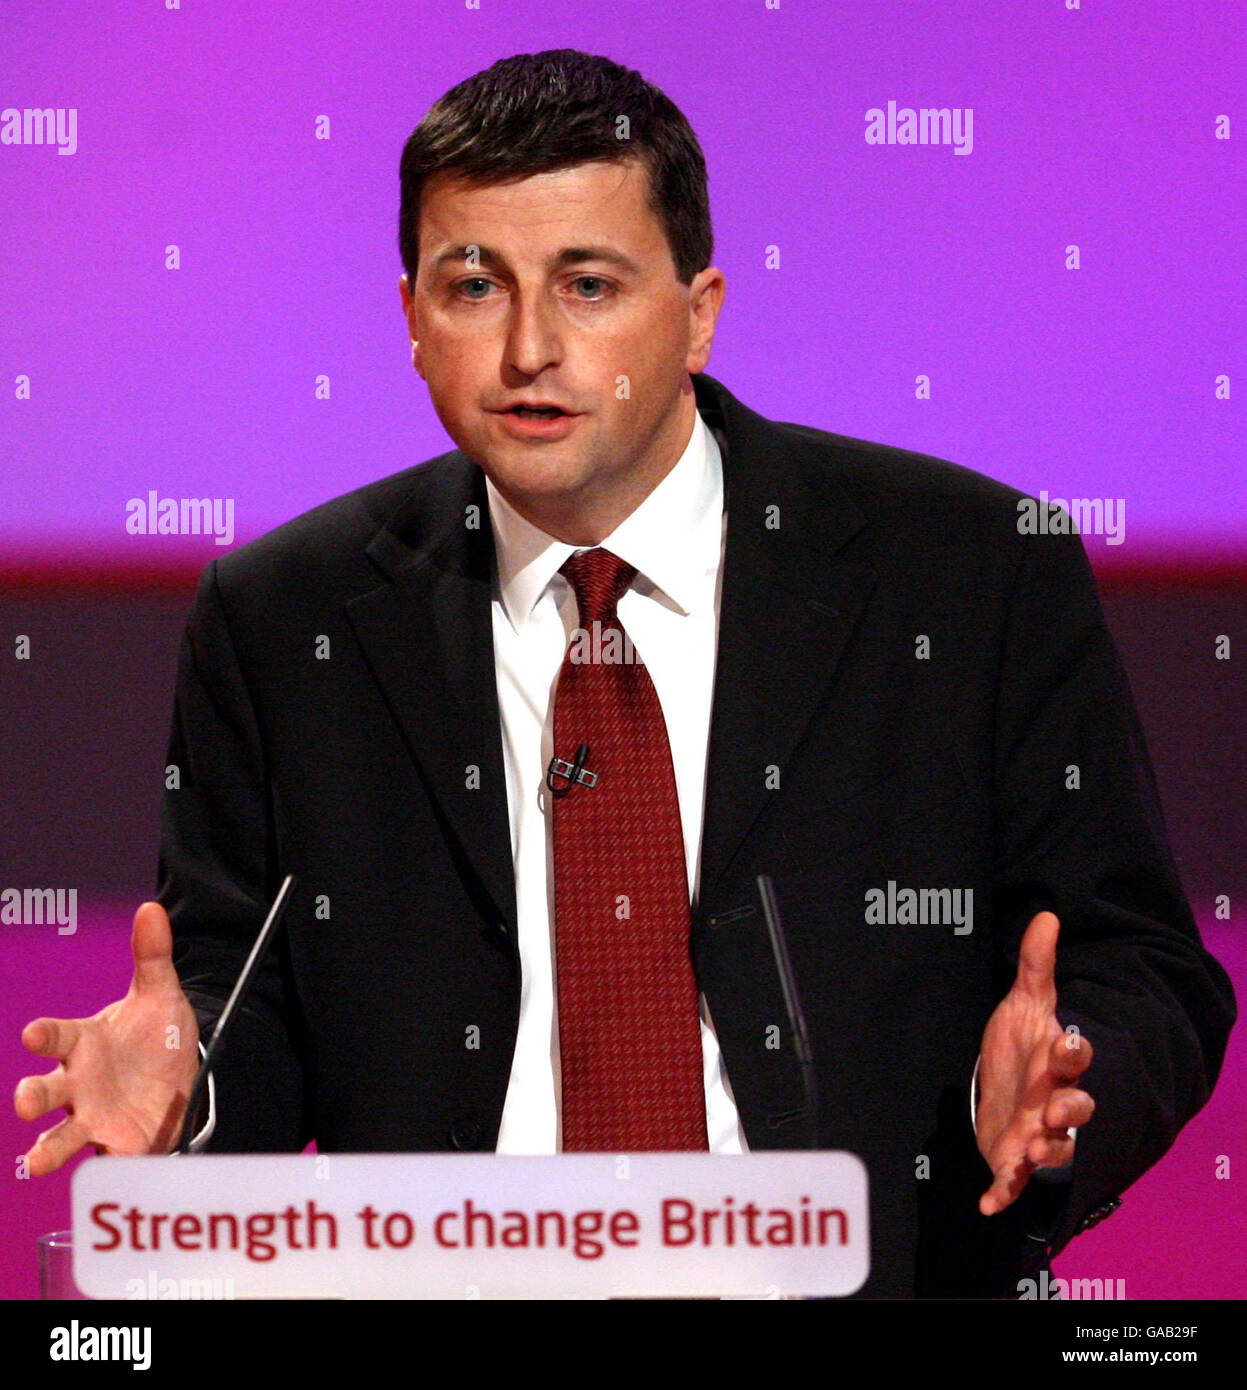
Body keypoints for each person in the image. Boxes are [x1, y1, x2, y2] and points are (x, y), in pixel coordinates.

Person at [15, 49, 1235, 1298]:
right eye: (474, 285)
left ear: (698, 309)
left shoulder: (969, 573)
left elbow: (1139, 968)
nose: (530, 347)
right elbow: (244, 1002)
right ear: (409, 317)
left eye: (587, 284)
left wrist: (1046, 1082)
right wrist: (195, 1090)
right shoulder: (283, 618)